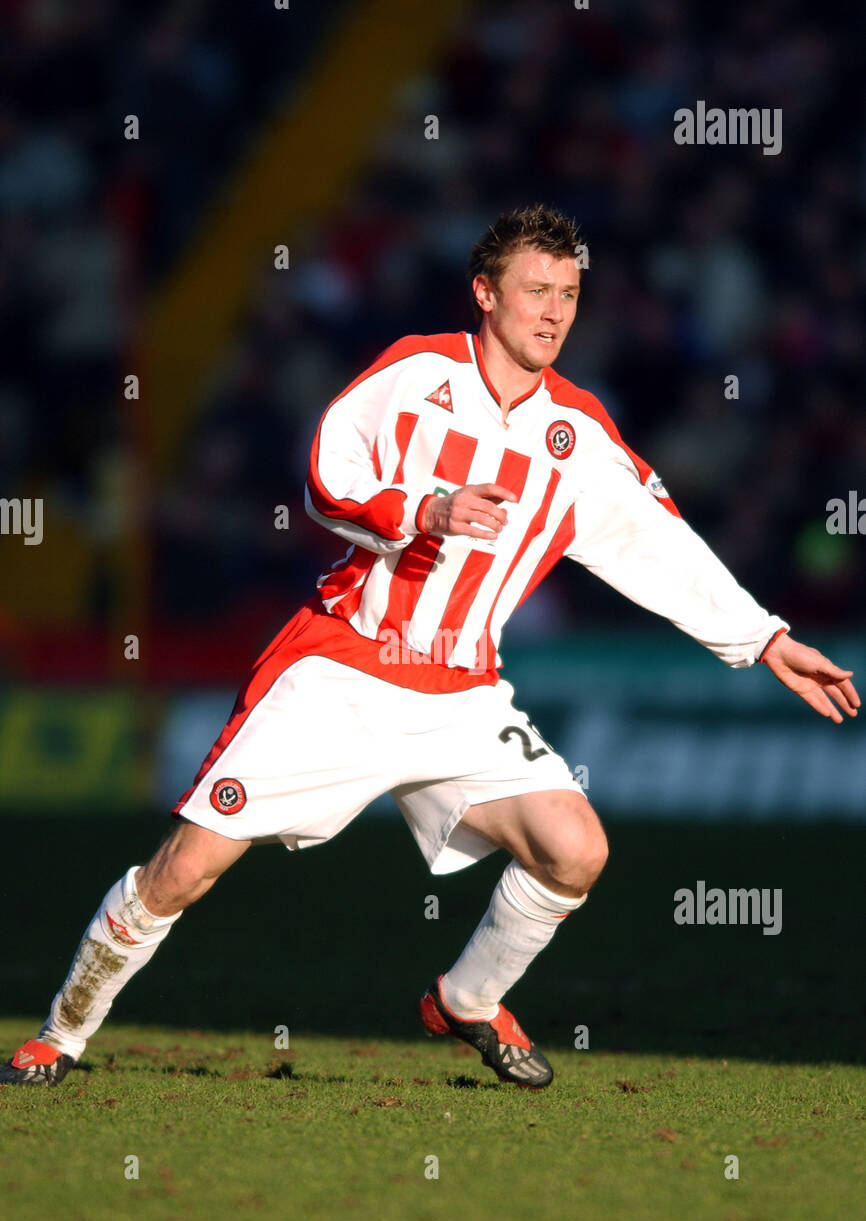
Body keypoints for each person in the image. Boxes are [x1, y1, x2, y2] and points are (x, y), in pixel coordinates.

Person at [2, 204, 858, 1090]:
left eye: (569, 294)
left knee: (576, 849)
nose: (554, 312)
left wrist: (764, 639)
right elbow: (327, 479)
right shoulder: (414, 375)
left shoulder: (578, 435)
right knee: (185, 869)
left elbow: (659, 544)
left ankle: (466, 1002)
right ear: (485, 293)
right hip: (343, 666)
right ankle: (62, 1033)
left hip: (462, 694)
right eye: (536, 291)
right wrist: (425, 511)